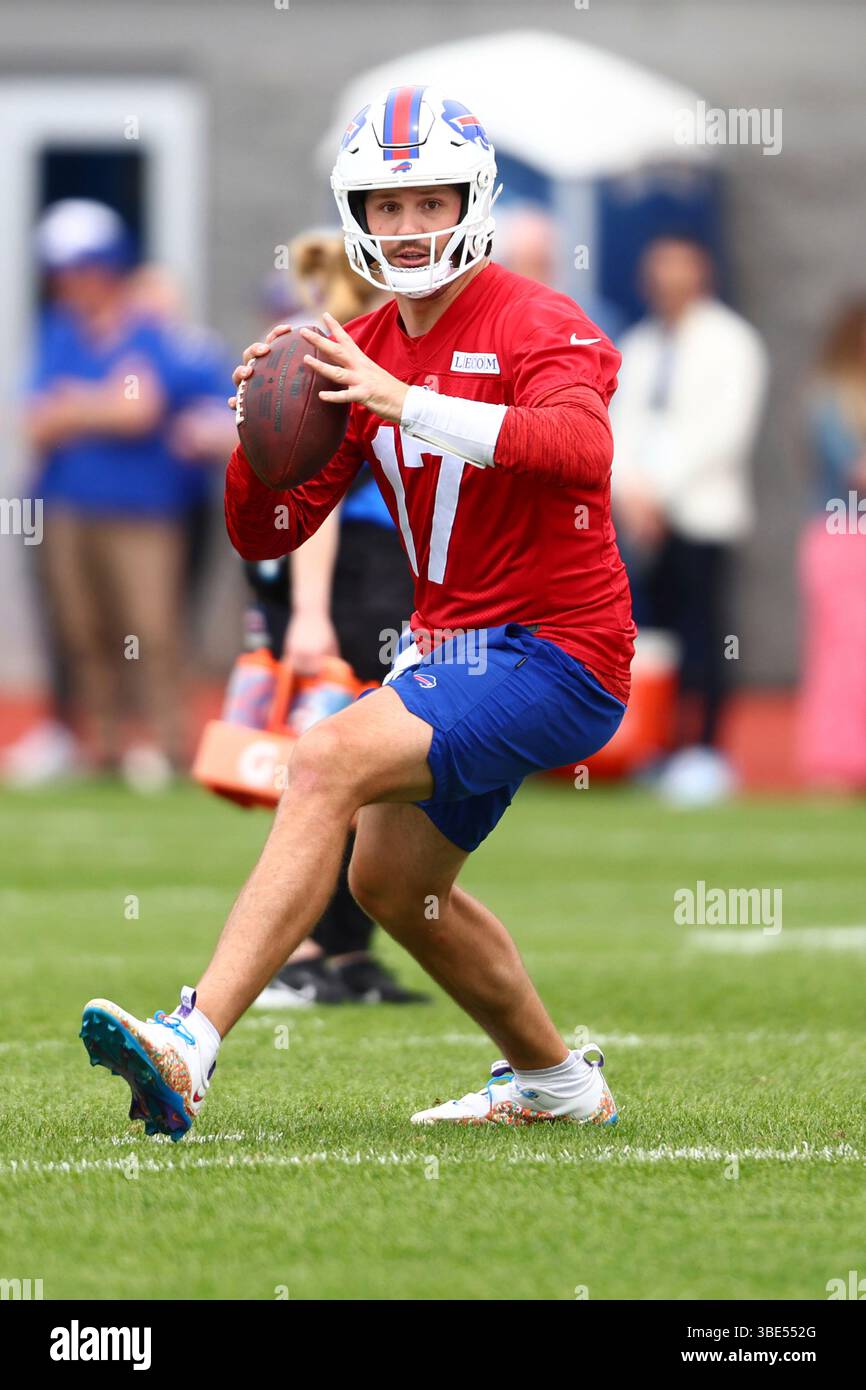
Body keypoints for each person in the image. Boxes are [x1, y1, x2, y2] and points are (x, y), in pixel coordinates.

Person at [81, 86, 635, 1136]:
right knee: (391, 885)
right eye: (387, 206)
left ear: (471, 201)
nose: (409, 225)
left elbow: (581, 449)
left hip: (558, 648)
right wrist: (256, 444)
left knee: (325, 756)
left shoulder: (535, 318)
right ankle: (557, 1082)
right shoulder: (354, 343)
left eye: (430, 201)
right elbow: (269, 532)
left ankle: (187, 1043)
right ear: (357, 216)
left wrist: (405, 400)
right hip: (454, 647)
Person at [247, 235, 426, 1006]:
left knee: (369, 771)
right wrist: (311, 614)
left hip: (366, 569)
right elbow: (314, 496)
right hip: (347, 571)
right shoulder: (342, 353)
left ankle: (348, 951)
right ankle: (311, 949)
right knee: (341, 766)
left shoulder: (348, 342)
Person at [14, 201, 226, 790]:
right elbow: (34, 418)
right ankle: (101, 743)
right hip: (66, 506)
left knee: (150, 629)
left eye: (83, 269)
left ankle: (163, 742)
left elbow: (140, 409)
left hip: (144, 511)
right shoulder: (60, 329)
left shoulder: (150, 328)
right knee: (83, 628)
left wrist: (75, 405)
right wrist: (98, 402)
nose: (72, 283)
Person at [610, 234, 769, 804]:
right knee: (658, 640)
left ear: (701, 274)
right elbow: (620, 426)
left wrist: (661, 493)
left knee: (707, 635)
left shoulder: (731, 343)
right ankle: (662, 747)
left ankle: (705, 749)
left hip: (702, 517)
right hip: (647, 521)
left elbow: (722, 433)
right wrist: (632, 493)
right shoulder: (644, 343)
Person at [798, 298, 866, 790]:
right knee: (845, 655)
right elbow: (856, 473)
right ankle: (837, 762)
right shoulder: (830, 401)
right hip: (843, 536)